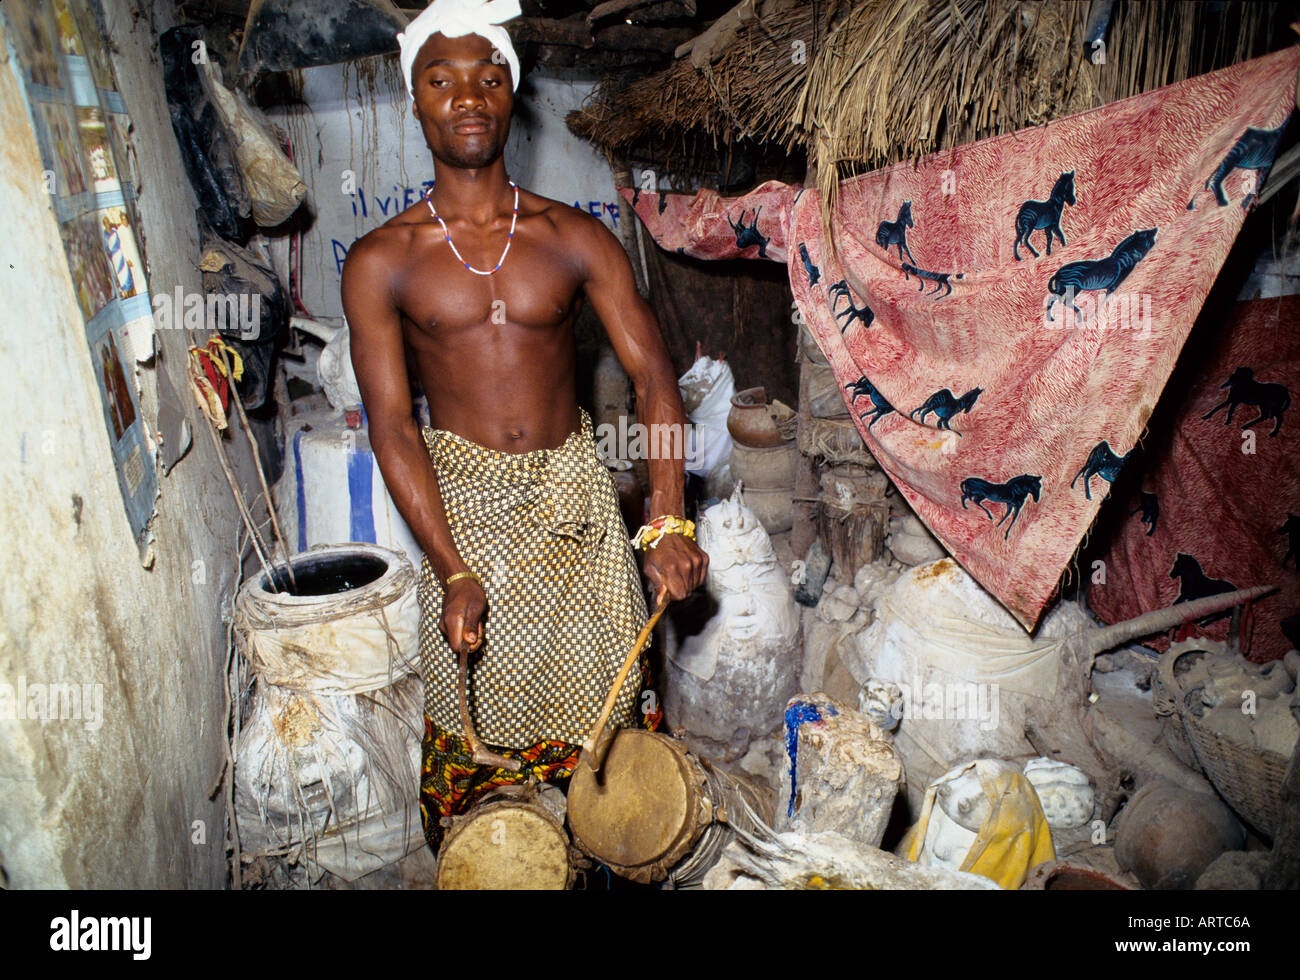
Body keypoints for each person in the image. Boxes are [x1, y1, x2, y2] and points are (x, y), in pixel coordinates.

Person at [340, 0, 708, 851]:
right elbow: (393, 427)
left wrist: (664, 518)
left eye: (488, 77)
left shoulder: (574, 238)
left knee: (613, 756)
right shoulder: (382, 261)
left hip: (576, 509)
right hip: (462, 516)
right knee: (483, 775)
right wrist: (451, 567)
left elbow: (655, 376)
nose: (467, 96)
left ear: (512, 95)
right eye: (442, 80)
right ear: (416, 100)